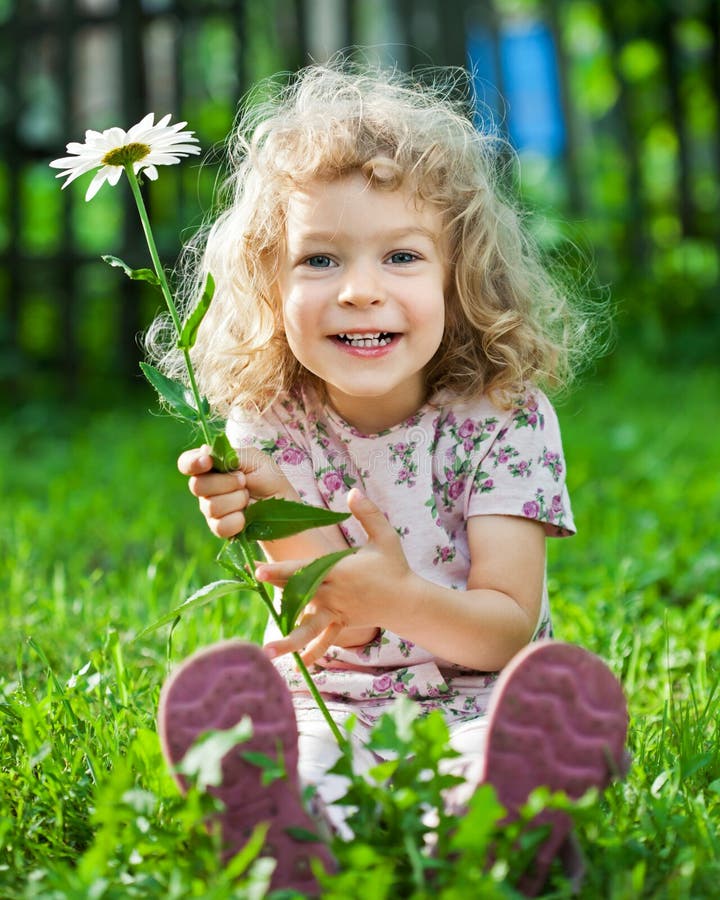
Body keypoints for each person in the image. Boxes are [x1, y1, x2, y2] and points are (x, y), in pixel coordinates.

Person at [149, 61, 628, 896]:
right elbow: (343, 628)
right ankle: (284, 830)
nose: (360, 291)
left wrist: (398, 595)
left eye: (402, 255)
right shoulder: (266, 425)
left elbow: (504, 630)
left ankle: (494, 819)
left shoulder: (505, 417)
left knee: (482, 755)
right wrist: (263, 500)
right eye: (319, 260)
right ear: (269, 282)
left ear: (458, 274)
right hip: (331, 698)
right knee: (306, 754)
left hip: (484, 698)